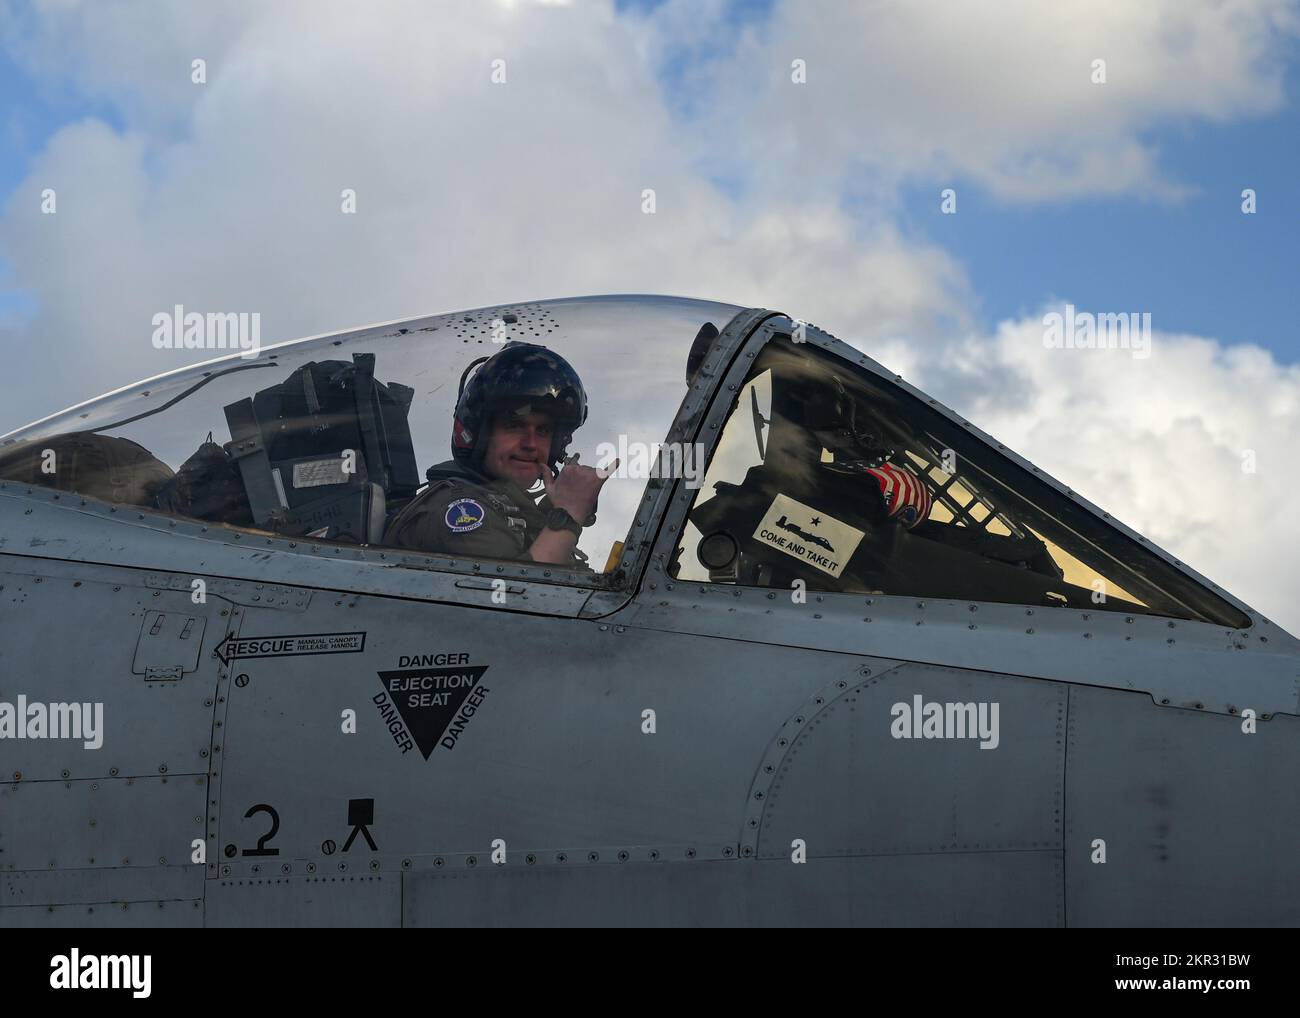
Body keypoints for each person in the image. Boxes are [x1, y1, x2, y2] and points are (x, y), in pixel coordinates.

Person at [383, 342, 613, 566]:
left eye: (543, 430)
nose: (531, 444)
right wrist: (569, 513)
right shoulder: (460, 511)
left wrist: (553, 510)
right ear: (478, 434)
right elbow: (520, 596)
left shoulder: (509, 509)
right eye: (514, 425)